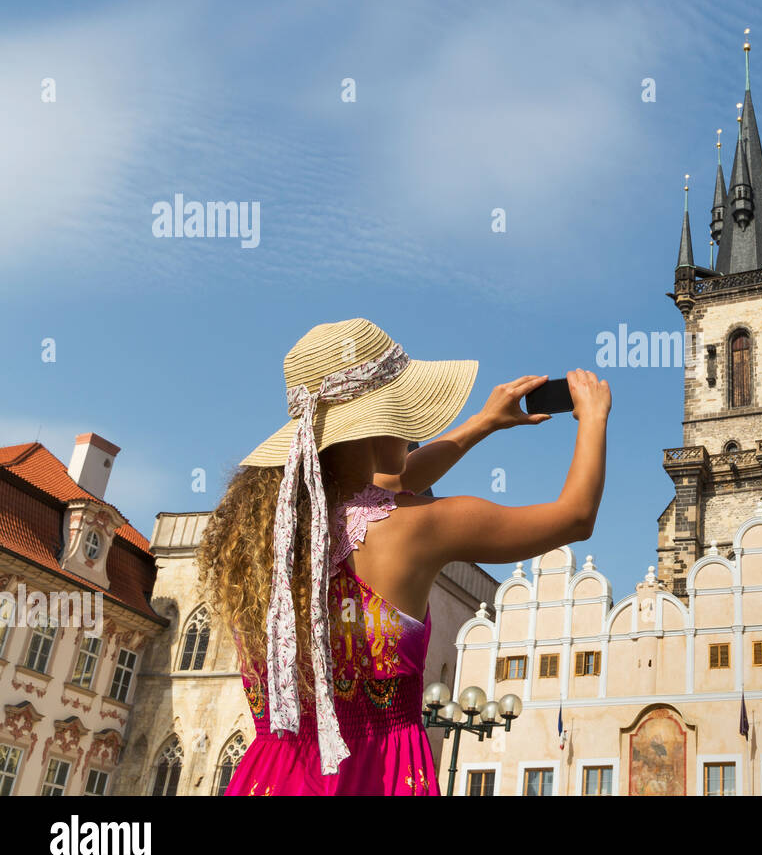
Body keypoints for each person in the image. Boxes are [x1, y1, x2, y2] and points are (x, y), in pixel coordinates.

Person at [196, 317, 610, 795]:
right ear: (375, 421)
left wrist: (482, 424)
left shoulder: (266, 538)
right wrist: (593, 415)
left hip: (270, 777)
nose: (413, 427)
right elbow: (575, 517)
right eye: (404, 412)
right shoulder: (420, 526)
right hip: (380, 776)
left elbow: (392, 485)